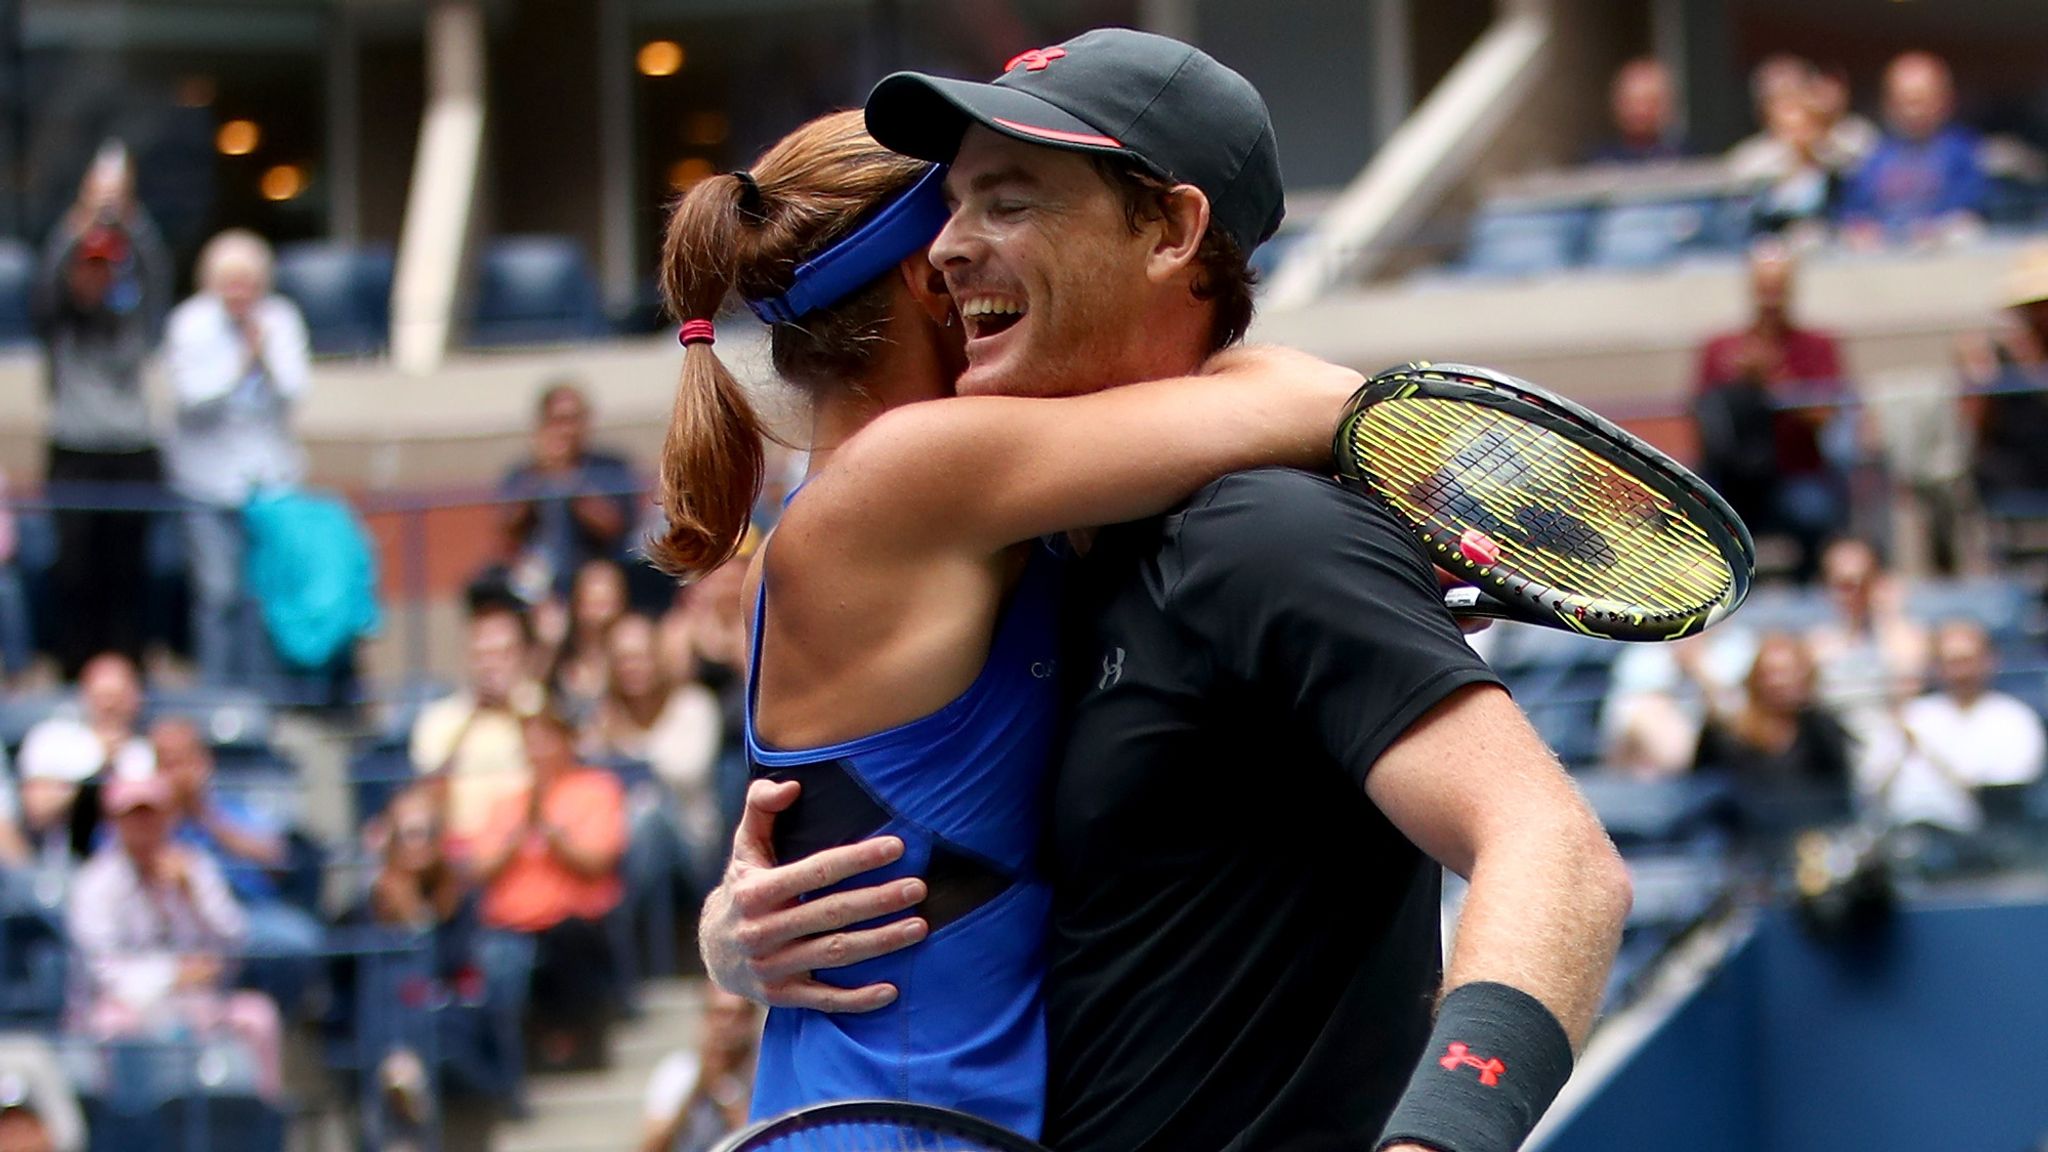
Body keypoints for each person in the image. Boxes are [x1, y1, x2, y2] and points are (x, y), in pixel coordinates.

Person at [700, 29, 1633, 1152]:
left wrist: (1441, 1138)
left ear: (1174, 231)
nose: (950, 251)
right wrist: (732, 932)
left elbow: (1556, 855)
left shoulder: (1264, 533)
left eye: (1009, 202)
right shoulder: (1048, 548)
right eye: (950, 208)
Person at [650, 90, 1369, 1135]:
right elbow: (1306, 401)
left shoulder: (885, 506)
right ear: (921, 276)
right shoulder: (915, 471)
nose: (974, 249)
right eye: (960, 218)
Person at [30, 146, 172, 679]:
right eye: (85, 271)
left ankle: (128, 670)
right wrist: (80, 222)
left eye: (102, 270)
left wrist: (127, 218)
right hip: (76, 450)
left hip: (133, 450)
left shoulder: (135, 321)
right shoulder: (60, 327)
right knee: (76, 571)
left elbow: (156, 275)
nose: (94, 279)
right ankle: (75, 671)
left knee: (129, 571)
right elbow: (46, 282)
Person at [65, 773, 282, 1096]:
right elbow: (101, 968)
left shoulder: (195, 868)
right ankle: (122, 1129)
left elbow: (235, 940)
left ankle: (258, 1127)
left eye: (150, 814)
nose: (143, 825)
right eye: (132, 815)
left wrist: (192, 894)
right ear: (114, 821)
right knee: (109, 1026)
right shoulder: (94, 883)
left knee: (257, 1015)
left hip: (198, 1003)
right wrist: (173, 976)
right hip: (130, 1005)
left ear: (168, 817)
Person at [163, 229, 313, 689]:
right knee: (218, 594)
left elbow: (294, 391)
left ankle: (266, 698)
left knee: (266, 595)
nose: (239, 292)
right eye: (230, 281)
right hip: (206, 485)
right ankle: (218, 699)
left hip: (270, 482)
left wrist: (262, 358)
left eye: (247, 281)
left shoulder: (281, 319)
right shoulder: (190, 323)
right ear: (211, 282)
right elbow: (190, 399)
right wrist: (240, 366)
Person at [471, 703, 627, 1070]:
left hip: (575, 922)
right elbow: (479, 870)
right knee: (495, 965)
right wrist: (517, 837)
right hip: (512, 926)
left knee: (569, 943)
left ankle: (576, 1042)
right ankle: (509, 1070)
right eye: (530, 743)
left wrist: (554, 837)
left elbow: (598, 862)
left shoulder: (596, 790)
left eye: (546, 741)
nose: (537, 751)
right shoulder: (506, 804)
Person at [1692, 242, 1848, 582]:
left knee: (1814, 512)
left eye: (1778, 288)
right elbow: (1701, 414)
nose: (1770, 298)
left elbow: (1826, 414)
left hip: (1795, 472)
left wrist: (1773, 383)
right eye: (1764, 288)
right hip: (1731, 478)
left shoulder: (1817, 345)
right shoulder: (1719, 348)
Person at [150, 717, 325, 1006]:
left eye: (184, 761)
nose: (177, 773)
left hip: (246, 914)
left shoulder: (233, 807)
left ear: (204, 761)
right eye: (167, 763)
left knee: (298, 939)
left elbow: (279, 861)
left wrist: (204, 815)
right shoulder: (143, 815)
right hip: (171, 923)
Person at [585, 612, 723, 889]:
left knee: (647, 815)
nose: (632, 666)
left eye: (640, 656)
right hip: (616, 843)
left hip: (690, 840)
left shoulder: (693, 705)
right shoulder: (604, 716)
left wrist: (626, 753)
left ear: (658, 657)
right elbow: (588, 775)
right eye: (623, 659)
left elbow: (687, 770)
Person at [1692, 632, 1856, 849]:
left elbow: (1842, 793)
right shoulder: (1727, 736)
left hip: (1814, 844)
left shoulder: (1820, 730)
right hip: (1749, 848)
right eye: (1770, 673)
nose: (1778, 682)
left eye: (1787, 673)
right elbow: (1703, 791)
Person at [409, 593, 542, 847]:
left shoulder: (541, 709)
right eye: (482, 654)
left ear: (523, 655)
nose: (491, 665)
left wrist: (513, 709)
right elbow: (431, 793)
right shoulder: (438, 719)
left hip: (528, 848)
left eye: (504, 653)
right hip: (462, 850)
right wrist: (473, 717)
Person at [499, 382, 641, 604]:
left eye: (574, 419)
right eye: (558, 420)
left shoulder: (610, 466)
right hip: (537, 573)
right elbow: (508, 528)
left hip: (598, 569)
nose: (566, 430)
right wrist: (540, 476)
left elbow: (616, 527)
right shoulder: (522, 474)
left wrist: (570, 479)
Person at [1894, 620, 2044, 825]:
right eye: (1950, 662)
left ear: (1988, 660)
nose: (1960, 672)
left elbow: (2003, 794)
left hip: (1984, 841)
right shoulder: (1915, 715)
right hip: (1909, 831)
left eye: (1967, 660)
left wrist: (1936, 759)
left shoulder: (2015, 719)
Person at [16, 651, 152, 864]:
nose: (110, 706)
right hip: (66, 868)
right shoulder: (52, 738)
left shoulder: (148, 750)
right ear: (84, 695)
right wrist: (98, 764)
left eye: (119, 697)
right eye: (103, 696)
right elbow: (37, 810)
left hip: (134, 870)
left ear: (136, 697)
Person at [1839, 52, 1986, 249]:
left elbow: (1974, 208)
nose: (1912, 110)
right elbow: (1853, 210)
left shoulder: (1966, 153)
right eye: (1903, 100)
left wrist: (1942, 228)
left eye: (1920, 100)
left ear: (1945, 99)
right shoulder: (1872, 156)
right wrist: (1859, 227)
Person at [1959, 244, 2048, 505]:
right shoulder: (1996, 355)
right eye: (2035, 306)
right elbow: (1977, 432)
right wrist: (1981, 383)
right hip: (2018, 465)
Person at [639, 987, 761, 1152]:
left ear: (751, 1020)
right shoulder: (679, 1069)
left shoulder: (763, 1072)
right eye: (718, 1014)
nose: (726, 1024)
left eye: (736, 1015)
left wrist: (723, 1091)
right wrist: (696, 1089)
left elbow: (763, 1142)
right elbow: (651, 1146)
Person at [1588, 57, 1689, 165]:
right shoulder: (1597, 164)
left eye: (1650, 102)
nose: (1641, 111)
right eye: (1632, 101)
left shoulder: (1688, 161)